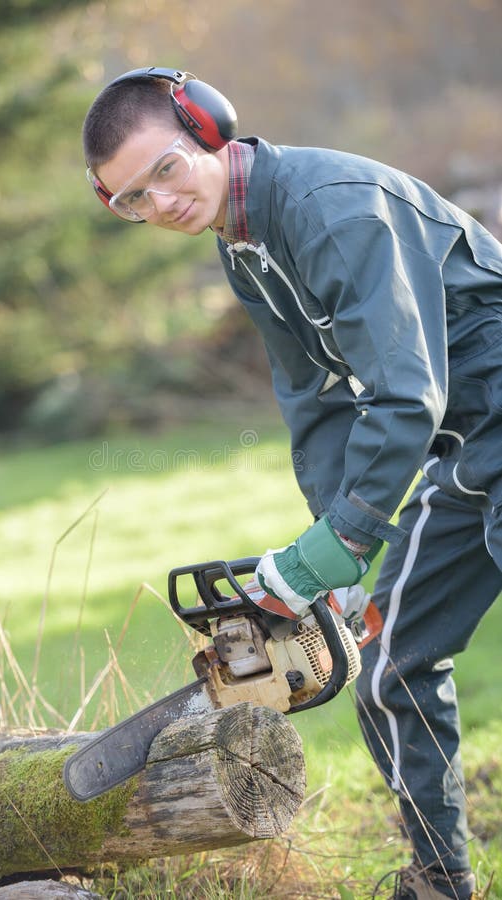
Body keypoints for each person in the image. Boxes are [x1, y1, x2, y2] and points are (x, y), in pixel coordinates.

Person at [82, 67, 502, 900]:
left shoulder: (326, 208)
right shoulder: (245, 249)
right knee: (390, 666)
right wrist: (334, 558)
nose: (158, 203)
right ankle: (439, 877)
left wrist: (340, 539)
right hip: (465, 449)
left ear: (207, 128)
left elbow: (400, 391)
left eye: (164, 170)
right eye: (132, 199)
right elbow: (314, 408)